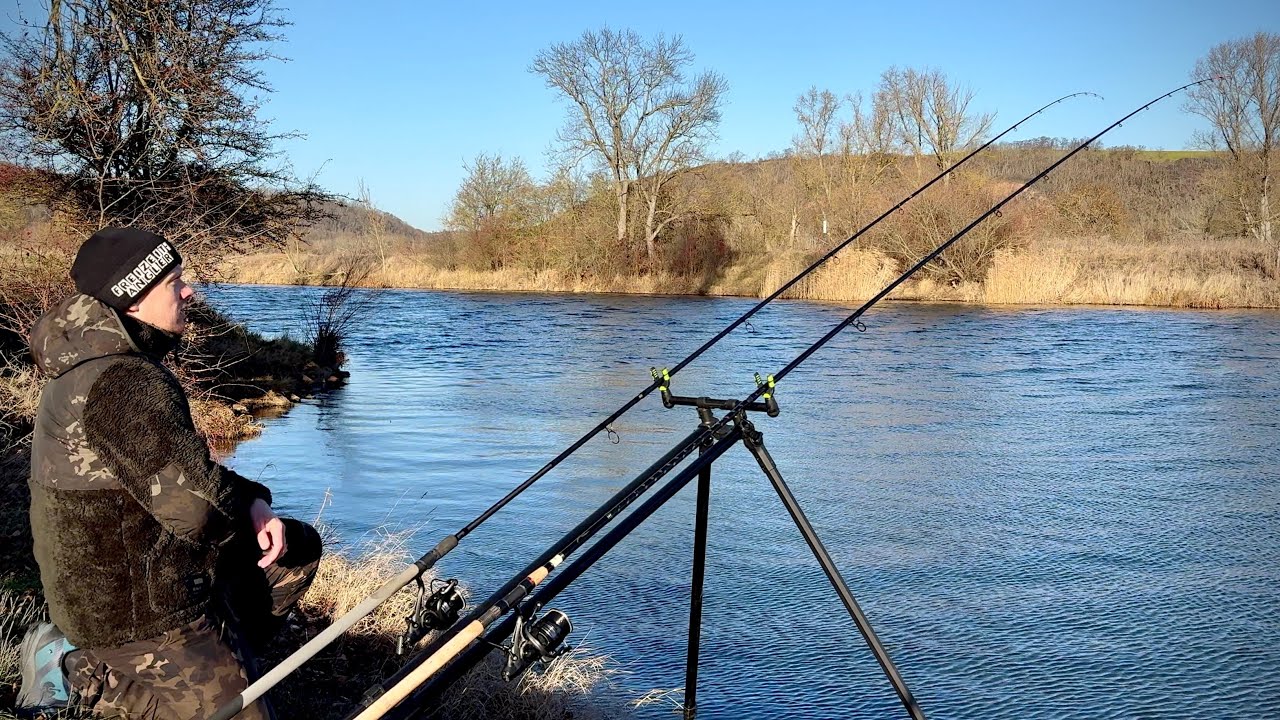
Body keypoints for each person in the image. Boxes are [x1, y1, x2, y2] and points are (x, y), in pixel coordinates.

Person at [25, 227, 323, 719]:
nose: (188, 291)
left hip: (141, 576)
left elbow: (187, 482)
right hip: (137, 613)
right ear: (134, 299)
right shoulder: (124, 379)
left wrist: (251, 500)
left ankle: (229, 661)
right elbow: (197, 511)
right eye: (173, 281)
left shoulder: (102, 363)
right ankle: (88, 679)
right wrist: (235, 505)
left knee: (296, 547)